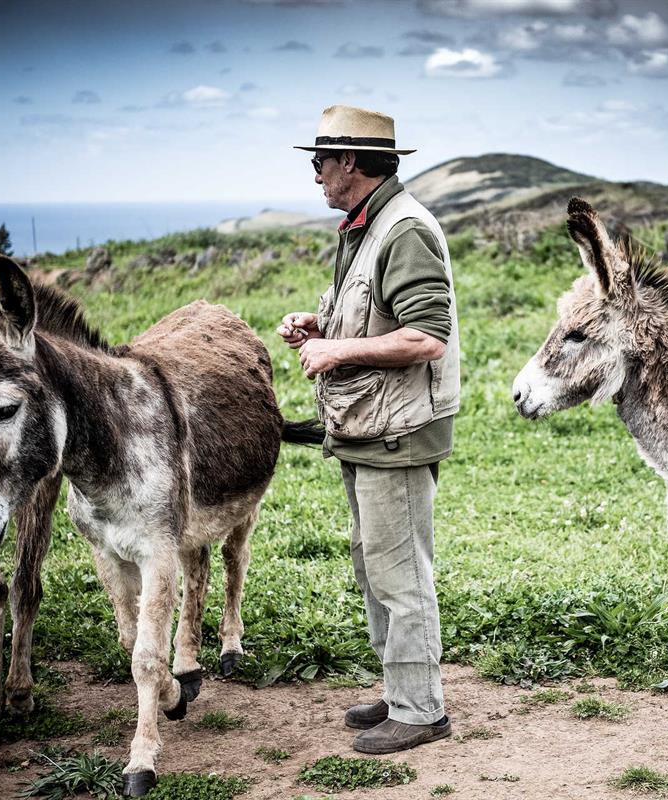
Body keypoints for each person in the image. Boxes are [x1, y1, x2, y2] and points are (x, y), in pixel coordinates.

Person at [279, 105, 459, 754]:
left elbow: (426, 338)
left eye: (320, 161)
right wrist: (320, 328)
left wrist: (336, 355)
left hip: (397, 430)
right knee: (375, 566)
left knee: (399, 574)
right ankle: (401, 688)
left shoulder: (402, 229)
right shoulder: (365, 225)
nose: (316, 175)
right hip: (369, 425)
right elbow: (380, 319)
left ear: (351, 162)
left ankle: (420, 710)